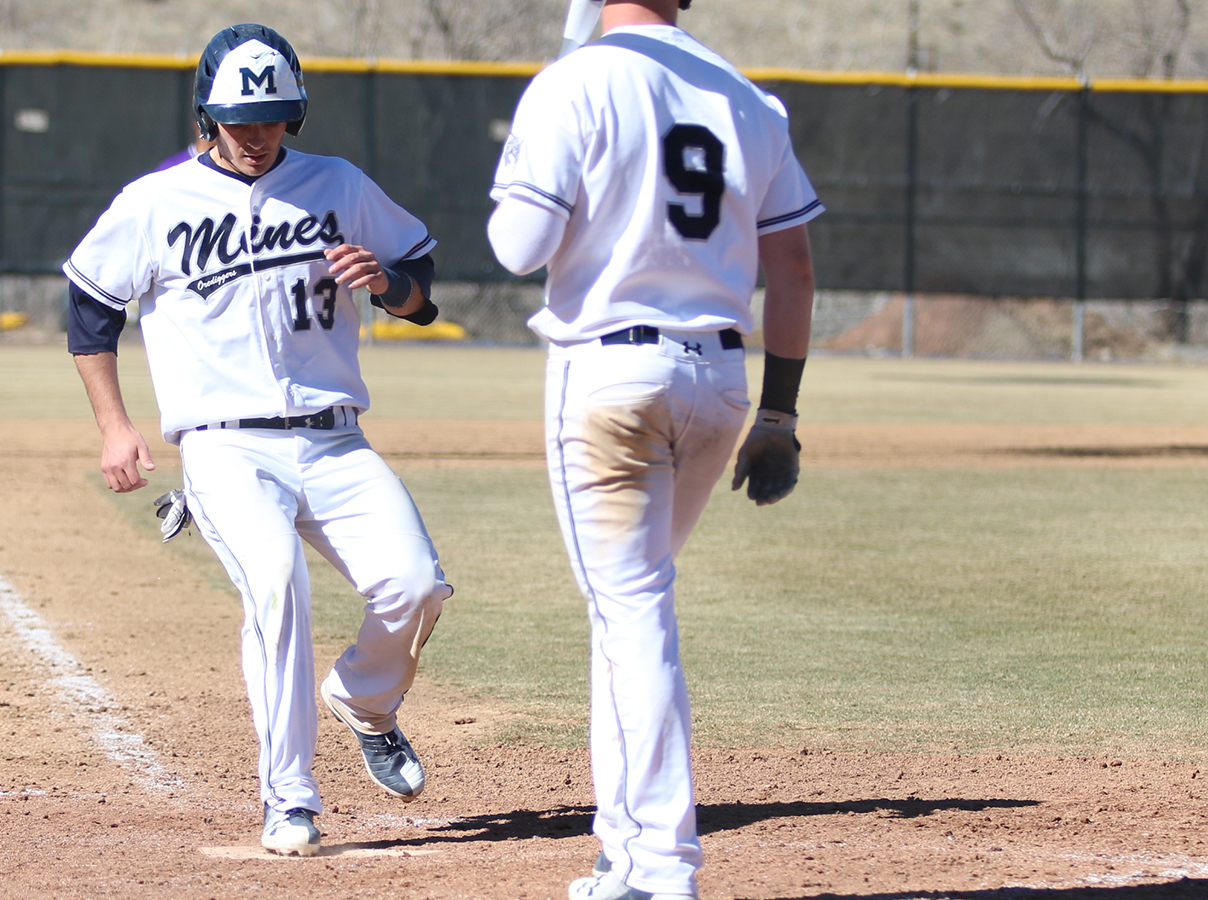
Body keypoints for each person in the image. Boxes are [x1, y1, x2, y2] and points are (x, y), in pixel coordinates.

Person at [65, 23, 453, 857]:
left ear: (294, 115)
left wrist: (389, 285)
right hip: (225, 448)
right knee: (277, 587)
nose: (255, 133)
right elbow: (91, 308)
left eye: (272, 116)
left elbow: (421, 289)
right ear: (208, 116)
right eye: (239, 119)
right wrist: (114, 426)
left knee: (417, 585)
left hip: (336, 439)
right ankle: (290, 799)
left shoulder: (336, 183)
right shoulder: (156, 201)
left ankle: (365, 699)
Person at [487, 1, 821, 898]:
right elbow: (793, 270)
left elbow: (517, 247)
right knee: (627, 609)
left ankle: (660, 868)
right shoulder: (750, 99)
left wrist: (524, 156)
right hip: (721, 382)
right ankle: (621, 850)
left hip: (610, 376)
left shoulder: (572, 82)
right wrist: (780, 416)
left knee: (631, 609)